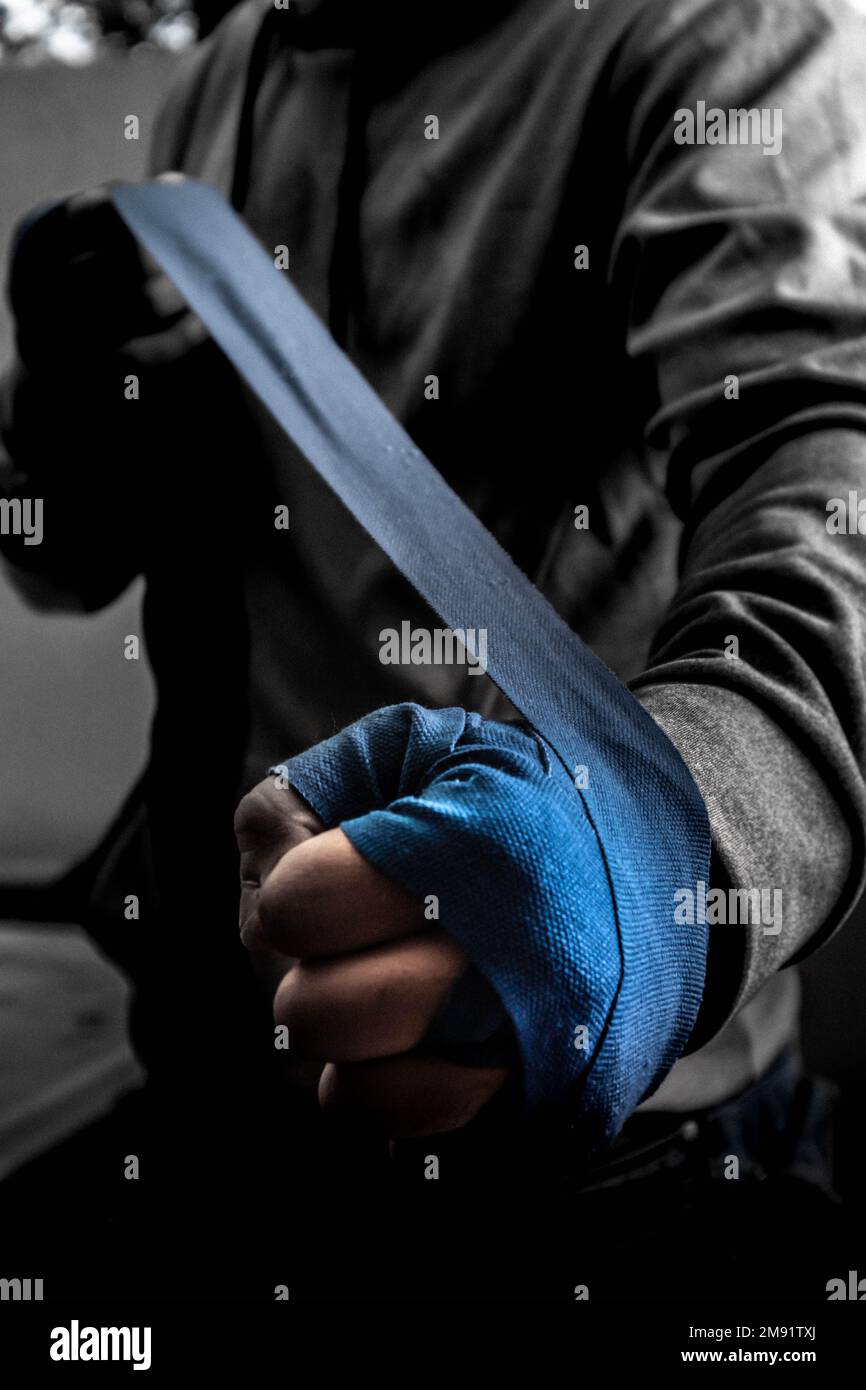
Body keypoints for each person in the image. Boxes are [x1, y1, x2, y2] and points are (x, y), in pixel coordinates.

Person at [1, 0, 865, 1300]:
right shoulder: (229, 73)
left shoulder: (713, 28)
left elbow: (822, 461)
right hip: (219, 1076)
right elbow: (68, 566)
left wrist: (668, 848)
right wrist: (66, 407)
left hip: (596, 1131)